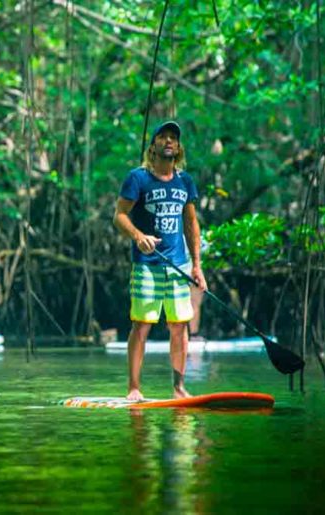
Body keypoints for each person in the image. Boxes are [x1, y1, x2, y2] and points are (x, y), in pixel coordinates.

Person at [114, 121, 207, 401]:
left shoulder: (185, 181)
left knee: (179, 326)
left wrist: (196, 265)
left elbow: (191, 223)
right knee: (141, 324)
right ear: (152, 145)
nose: (168, 141)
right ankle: (134, 388)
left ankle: (179, 388)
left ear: (178, 147)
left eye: (173, 138)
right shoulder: (138, 178)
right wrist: (138, 235)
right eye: (162, 137)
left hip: (178, 264)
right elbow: (119, 215)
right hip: (147, 264)